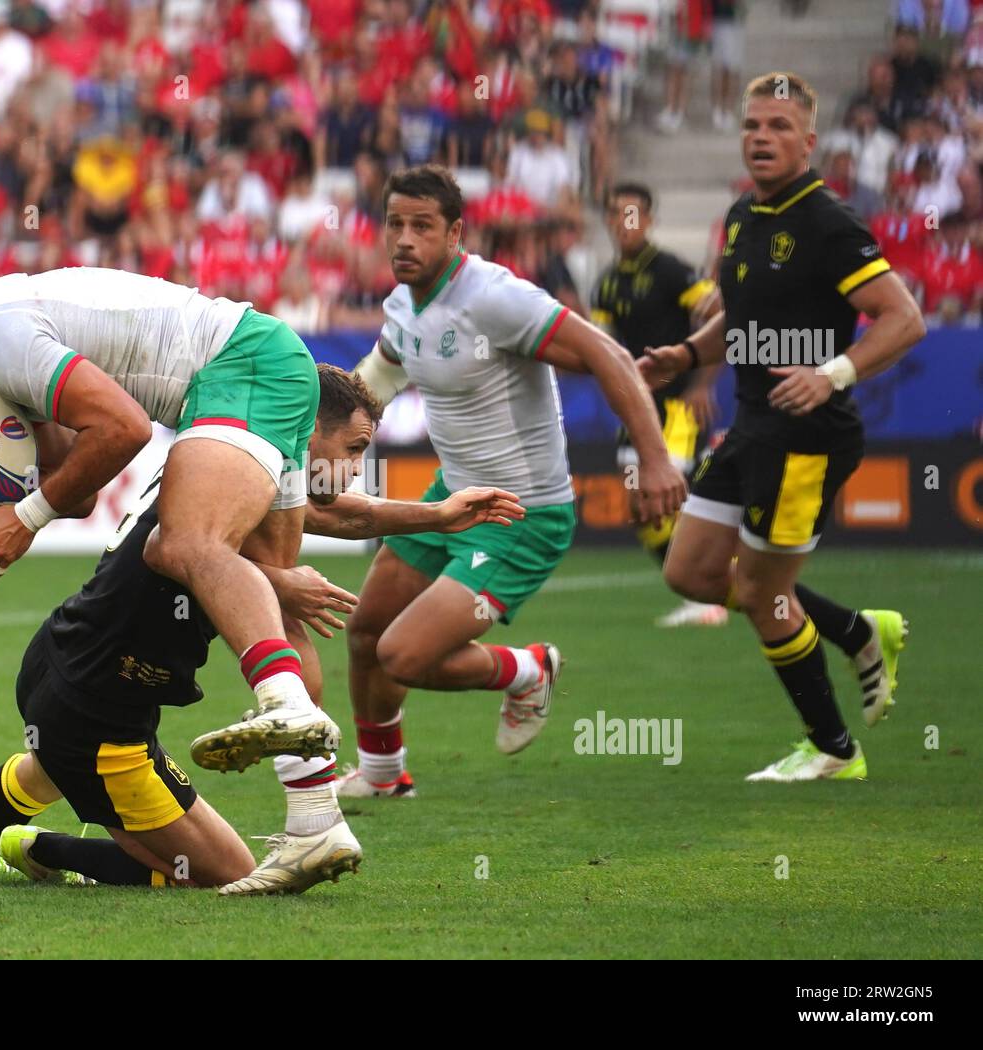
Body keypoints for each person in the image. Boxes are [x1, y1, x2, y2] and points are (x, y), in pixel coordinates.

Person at [0, 365, 527, 893]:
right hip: (102, 705)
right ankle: (32, 848)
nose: (356, 467)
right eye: (353, 448)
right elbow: (169, 550)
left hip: (63, 663)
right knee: (225, 869)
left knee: (52, 764)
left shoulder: (228, 464)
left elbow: (343, 511)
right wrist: (279, 582)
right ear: (307, 426)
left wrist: (441, 515)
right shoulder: (239, 479)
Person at [0, 242, 340, 787]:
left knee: (183, 545)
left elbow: (126, 429)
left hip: (242, 366)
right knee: (274, 602)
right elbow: (79, 494)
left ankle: (283, 701)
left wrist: (24, 519)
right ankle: (316, 823)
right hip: (255, 365)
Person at [318, 164, 686, 799]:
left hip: (522, 514)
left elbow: (608, 354)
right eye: (395, 224)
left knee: (402, 654)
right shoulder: (404, 304)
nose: (404, 239)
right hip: (453, 496)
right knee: (367, 633)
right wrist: (317, 445)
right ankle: (382, 775)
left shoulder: (494, 296)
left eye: (422, 227)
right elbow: (374, 383)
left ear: (456, 232)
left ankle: (527, 670)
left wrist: (654, 459)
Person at [641, 73, 922, 782]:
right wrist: (686, 352)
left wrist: (830, 373)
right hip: (752, 426)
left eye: (778, 126)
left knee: (765, 596)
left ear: (808, 141)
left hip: (808, 437)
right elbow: (739, 316)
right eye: (752, 125)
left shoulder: (828, 223)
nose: (761, 137)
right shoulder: (743, 215)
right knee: (692, 570)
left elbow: (904, 318)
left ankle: (834, 749)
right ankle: (857, 629)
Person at [591, 181, 726, 627]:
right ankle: (705, 587)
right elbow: (602, 349)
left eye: (633, 214)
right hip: (636, 409)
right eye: (616, 214)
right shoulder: (606, 284)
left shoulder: (671, 271)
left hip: (676, 409)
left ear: (648, 220)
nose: (624, 223)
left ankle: (708, 592)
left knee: (661, 497)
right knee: (640, 509)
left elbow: (722, 319)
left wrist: (701, 386)